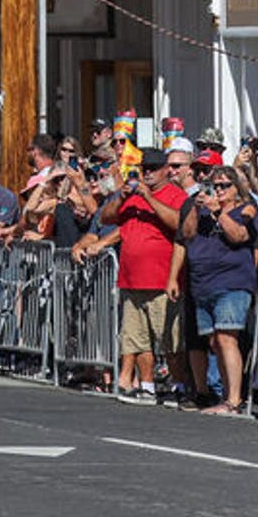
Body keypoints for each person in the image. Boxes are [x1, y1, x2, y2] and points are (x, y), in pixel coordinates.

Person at [92, 147, 186, 404]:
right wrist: (122, 198)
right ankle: (147, 385)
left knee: (169, 339)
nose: (148, 174)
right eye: (145, 169)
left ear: (166, 170)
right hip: (131, 279)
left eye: (153, 169)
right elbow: (105, 217)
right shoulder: (132, 195)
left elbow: (179, 223)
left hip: (160, 280)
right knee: (137, 340)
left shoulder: (175, 195)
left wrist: (150, 199)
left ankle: (179, 385)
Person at [170, 166, 258, 415]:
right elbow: (186, 235)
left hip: (231, 282)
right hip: (202, 283)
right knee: (214, 342)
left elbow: (239, 236)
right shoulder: (200, 208)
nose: (218, 190)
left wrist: (219, 211)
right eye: (214, 185)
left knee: (226, 338)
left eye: (223, 186)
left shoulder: (246, 209)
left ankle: (233, 400)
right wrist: (195, 208)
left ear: (236, 189)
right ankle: (225, 395)